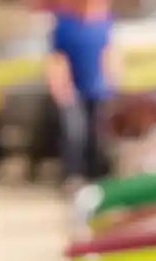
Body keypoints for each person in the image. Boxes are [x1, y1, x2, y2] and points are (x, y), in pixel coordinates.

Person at [47, 0, 120, 193]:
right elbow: (58, 58)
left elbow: (109, 53)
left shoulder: (104, 24)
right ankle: (73, 175)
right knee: (74, 133)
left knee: (97, 134)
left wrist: (113, 80)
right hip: (73, 89)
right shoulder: (65, 26)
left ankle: (96, 175)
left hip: (98, 88)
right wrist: (60, 86)